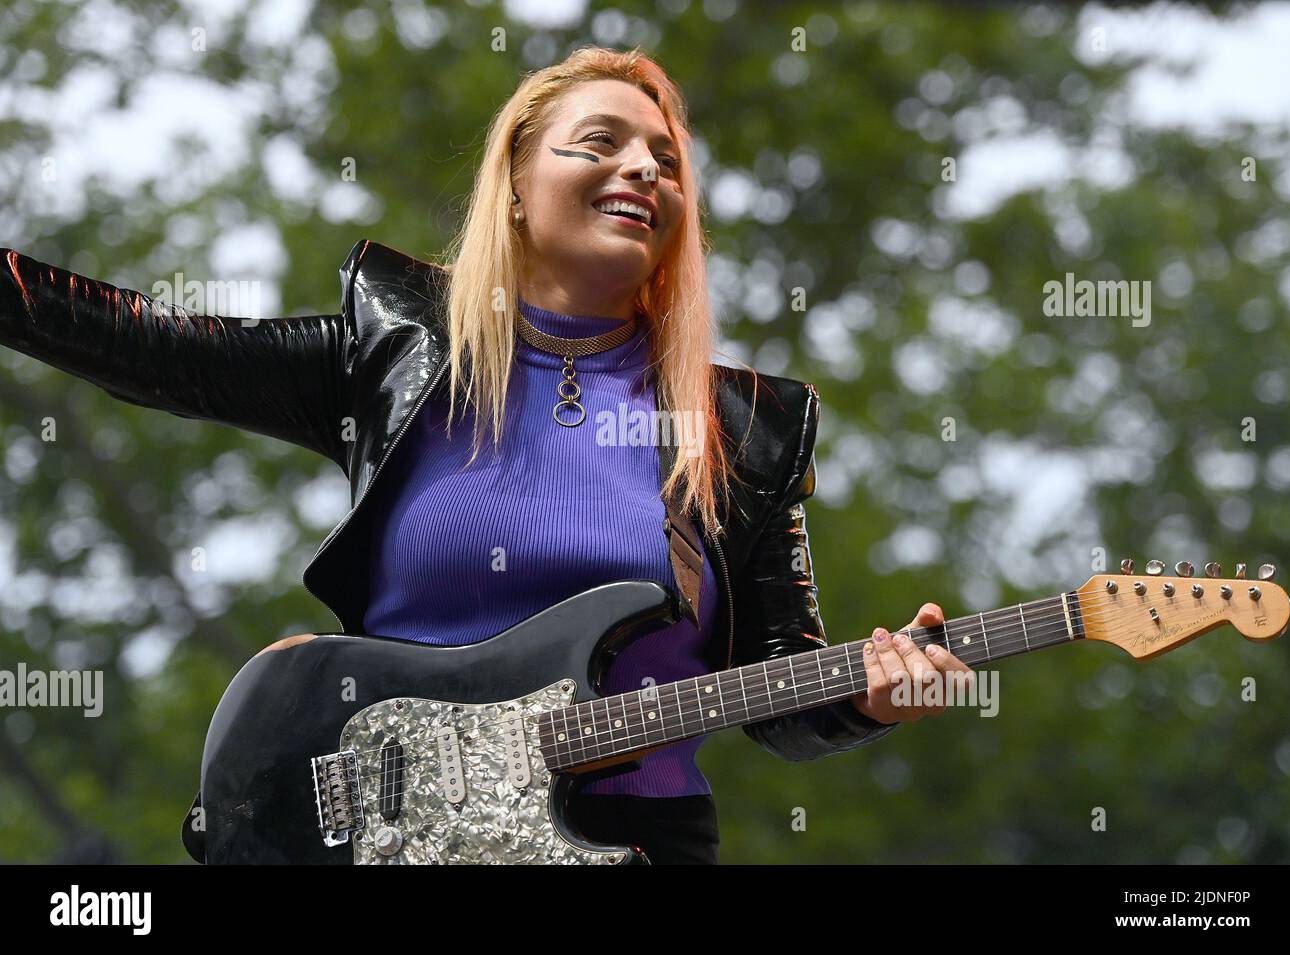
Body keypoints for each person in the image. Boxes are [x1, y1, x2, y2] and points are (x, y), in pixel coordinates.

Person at [0, 46, 973, 864]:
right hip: (390, 840)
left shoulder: (748, 422)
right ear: (514, 181)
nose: (645, 169)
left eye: (667, 160)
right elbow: (156, 352)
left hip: (636, 842)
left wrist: (877, 697)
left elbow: (784, 688)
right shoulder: (395, 347)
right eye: (602, 143)